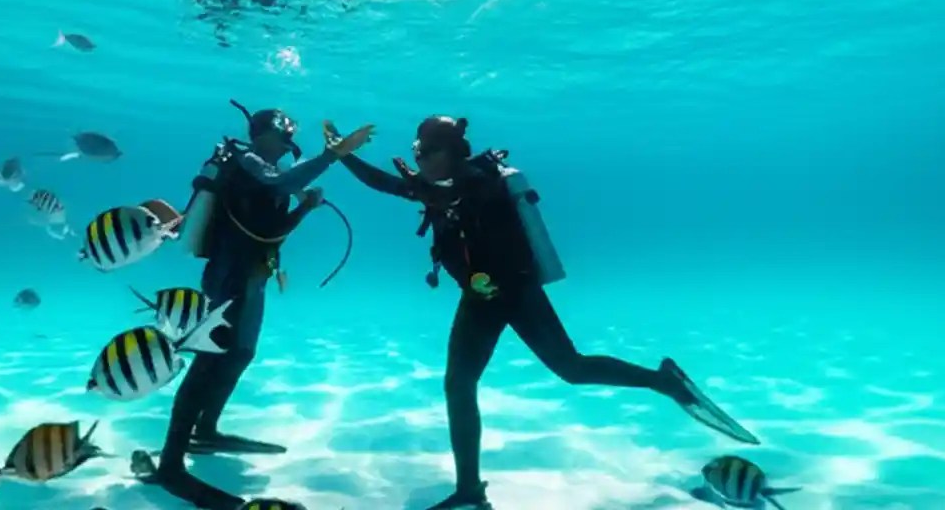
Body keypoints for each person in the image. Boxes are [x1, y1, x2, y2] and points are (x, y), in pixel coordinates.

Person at [324, 115, 758, 510]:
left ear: (453, 152)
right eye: (417, 151)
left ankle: (664, 381)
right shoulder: (444, 186)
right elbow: (397, 187)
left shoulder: (478, 182)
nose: (421, 158)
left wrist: (344, 154)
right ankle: (470, 488)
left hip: (516, 292)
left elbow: (414, 189)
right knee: (458, 385)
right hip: (480, 298)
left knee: (572, 368)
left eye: (428, 151)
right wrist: (340, 156)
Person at [152, 101, 374, 509]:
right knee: (209, 357)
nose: (290, 138)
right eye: (284, 131)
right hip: (229, 277)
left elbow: (271, 232)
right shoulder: (247, 161)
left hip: (254, 276)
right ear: (263, 133)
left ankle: (207, 429)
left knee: (241, 353)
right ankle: (170, 464)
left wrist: (304, 210)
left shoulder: (268, 173)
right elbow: (278, 185)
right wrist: (333, 154)